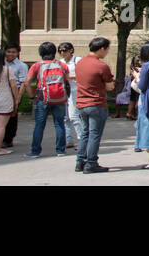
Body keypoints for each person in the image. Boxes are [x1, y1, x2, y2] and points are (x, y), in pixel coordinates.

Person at [24, 41, 71, 158]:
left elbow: (27, 83)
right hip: (60, 98)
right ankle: (60, 150)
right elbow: (67, 80)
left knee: (39, 125)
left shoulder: (37, 66)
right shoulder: (62, 65)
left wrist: (31, 96)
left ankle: (35, 151)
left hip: (42, 98)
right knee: (59, 124)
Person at [74, 37, 114, 173]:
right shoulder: (102, 66)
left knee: (85, 133)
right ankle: (91, 163)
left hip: (81, 102)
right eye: (107, 49)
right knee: (94, 134)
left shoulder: (80, 63)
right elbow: (110, 87)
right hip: (96, 103)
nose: (107, 52)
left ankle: (80, 161)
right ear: (102, 48)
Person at [1, 43, 28, 148]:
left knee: (12, 116)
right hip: (2, 90)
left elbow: (23, 82)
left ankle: (8, 139)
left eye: (13, 52)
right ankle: (1, 137)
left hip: (14, 91)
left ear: (17, 53)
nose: (10, 54)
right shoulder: (1, 63)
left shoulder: (21, 65)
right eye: (8, 52)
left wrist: (19, 96)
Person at [58, 42, 84, 149]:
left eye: (64, 50)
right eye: (60, 51)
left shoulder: (78, 60)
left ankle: (82, 140)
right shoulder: (60, 62)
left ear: (71, 50)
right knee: (65, 117)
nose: (62, 53)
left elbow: (83, 74)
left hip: (76, 90)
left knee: (74, 117)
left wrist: (70, 77)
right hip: (63, 91)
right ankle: (68, 139)